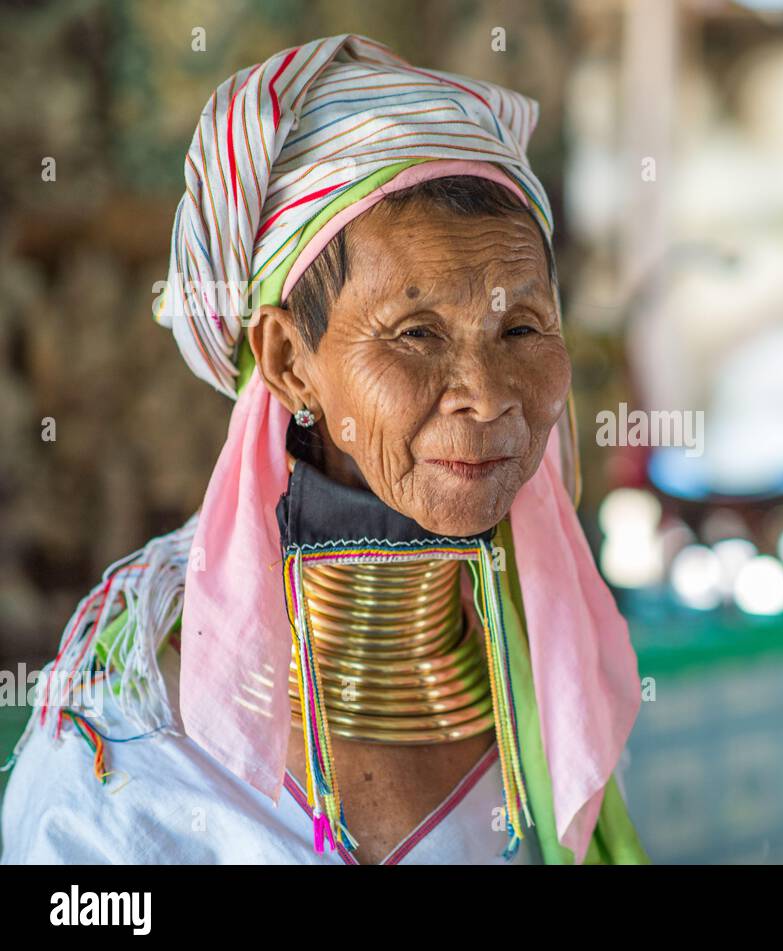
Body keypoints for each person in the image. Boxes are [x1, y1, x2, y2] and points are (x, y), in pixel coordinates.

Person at [0, 33, 649, 866]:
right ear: (285, 358)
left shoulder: (560, 699)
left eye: (521, 327)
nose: (488, 393)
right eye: (416, 333)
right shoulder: (125, 756)